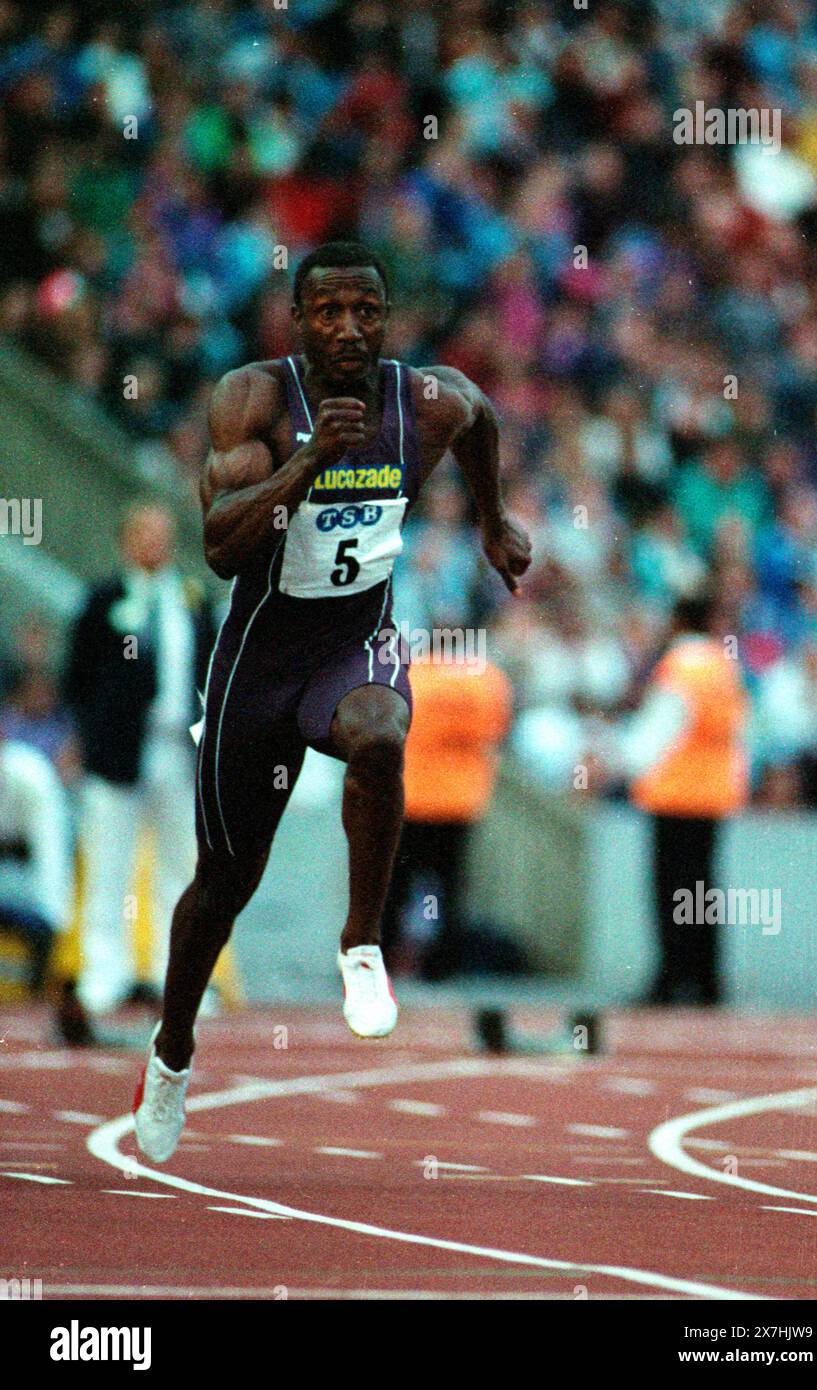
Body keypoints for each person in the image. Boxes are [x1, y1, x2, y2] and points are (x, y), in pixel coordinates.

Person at [132, 241, 531, 1162]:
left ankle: (361, 943)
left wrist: (491, 518)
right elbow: (221, 548)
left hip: (355, 641)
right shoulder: (253, 401)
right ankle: (172, 1050)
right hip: (260, 662)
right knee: (223, 884)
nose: (349, 328)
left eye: (366, 312)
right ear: (298, 321)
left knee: (383, 733)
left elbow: (479, 417)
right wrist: (310, 460)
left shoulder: (423, 400)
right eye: (328, 312)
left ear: (385, 320)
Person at [63, 503, 216, 1024]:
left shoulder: (192, 598)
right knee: (108, 863)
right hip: (117, 751)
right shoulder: (103, 599)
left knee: (182, 866)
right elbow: (78, 676)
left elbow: (211, 670)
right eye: (143, 533)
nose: (154, 543)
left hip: (178, 747)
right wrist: (87, 737)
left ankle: (178, 978)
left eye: (162, 534)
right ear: (125, 539)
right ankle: (104, 974)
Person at [601, 594, 749, 1005]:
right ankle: (708, 981)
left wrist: (618, 762)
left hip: (674, 794)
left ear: (678, 622)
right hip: (712, 794)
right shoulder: (723, 666)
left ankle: (670, 979)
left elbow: (660, 729)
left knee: (670, 891)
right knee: (703, 890)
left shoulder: (679, 667)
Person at [380, 648, 512, 978]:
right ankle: (443, 964)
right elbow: (496, 731)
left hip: (412, 796)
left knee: (395, 886)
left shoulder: (412, 674)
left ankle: (383, 958)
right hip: (460, 801)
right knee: (449, 888)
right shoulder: (487, 677)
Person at [0, 731, 71, 994]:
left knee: (41, 921)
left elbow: (52, 854)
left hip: (24, 884)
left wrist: (51, 919)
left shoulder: (33, 777)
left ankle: (36, 994)